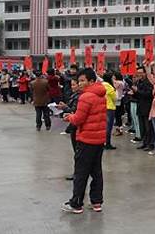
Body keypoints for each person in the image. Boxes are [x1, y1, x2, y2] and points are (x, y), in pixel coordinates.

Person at [61, 68, 107, 214]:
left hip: (86, 139)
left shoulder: (86, 97)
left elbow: (79, 119)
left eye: (82, 81)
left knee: (81, 172)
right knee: (96, 171)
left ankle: (76, 203)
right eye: (79, 81)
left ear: (91, 81)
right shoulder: (101, 95)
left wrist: (69, 117)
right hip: (99, 140)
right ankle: (97, 202)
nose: (80, 84)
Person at [57, 77, 81, 180]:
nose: (72, 87)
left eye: (74, 85)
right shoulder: (75, 95)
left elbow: (74, 112)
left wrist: (65, 108)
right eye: (71, 85)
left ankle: (78, 173)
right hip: (74, 126)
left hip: (76, 126)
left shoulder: (80, 97)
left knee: (78, 152)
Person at [133, 65, 154, 151]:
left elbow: (148, 94)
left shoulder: (149, 82)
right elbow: (138, 96)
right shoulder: (139, 82)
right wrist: (134, 93)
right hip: (140, 106)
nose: (139, 74)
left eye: (141, 73)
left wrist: (137, 91)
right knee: (142, 127)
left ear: (145, 73)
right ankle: (144, 142)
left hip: (147, 107)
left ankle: (150, 144)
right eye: (138, 73)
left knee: (148, 127)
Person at [102, 72, 117, 150]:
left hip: (102, 107)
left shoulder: (100, 85)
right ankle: (107, 143)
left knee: (103, 126)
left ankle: (103, 142)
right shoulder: (109, 87)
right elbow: (115, 98)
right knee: (108, 127)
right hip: (110, 107)